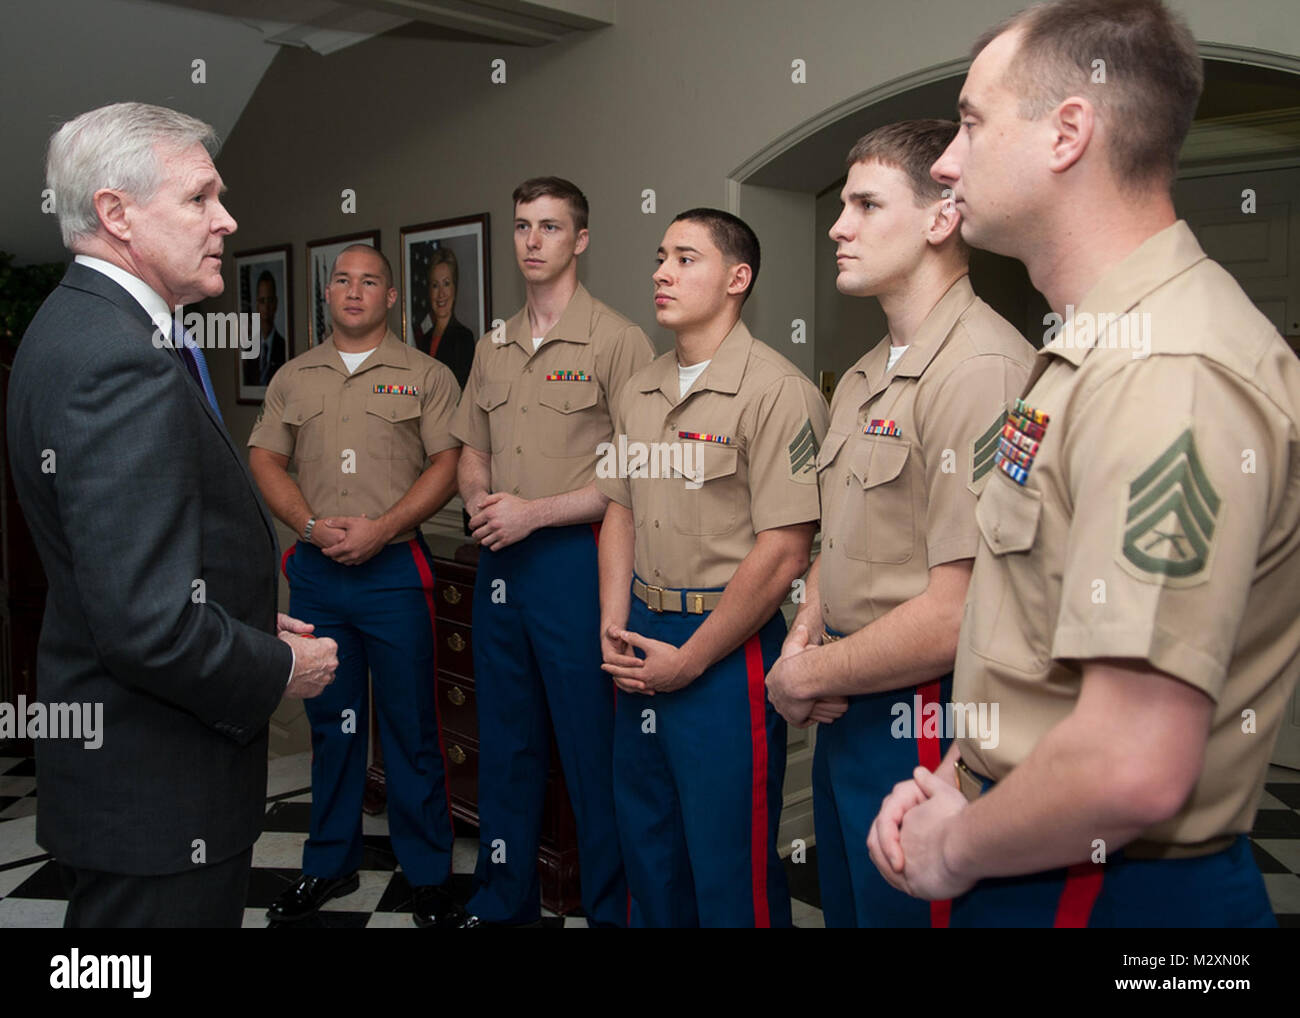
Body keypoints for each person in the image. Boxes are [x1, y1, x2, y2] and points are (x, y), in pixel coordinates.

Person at [869, 0, 1300, 927]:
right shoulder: (1091, 351)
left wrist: (954, 845)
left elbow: (1130, 765)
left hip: (1114, 888)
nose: (946, 162)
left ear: (1070, 132)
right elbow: (1030, 640)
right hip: (1031, 837)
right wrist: (955, 780)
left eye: (973, 124)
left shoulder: (1168, 371)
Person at [7, 102, 337, 928]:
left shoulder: (82, 325)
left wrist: (253, 622)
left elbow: (140, 559)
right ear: (116, 213)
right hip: (156, 788)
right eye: (199, 199)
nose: (226, 219)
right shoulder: (115, 359)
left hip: (135, 776)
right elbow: (147, 625)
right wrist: (274, 671)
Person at [765, 121, 1034, 928]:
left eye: (865, 204)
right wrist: (803, 634)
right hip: (847, 696)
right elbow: (839, 541)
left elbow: (962, 611)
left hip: (924, 715)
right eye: (842, 203)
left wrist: (807, 676)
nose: (838, 225)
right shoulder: (860, 376)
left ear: (940, 218)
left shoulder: (983, 371)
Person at [597, 208, 830, 927]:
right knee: (649, 843)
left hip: (724, 651)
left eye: (686, 259)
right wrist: (612, 621)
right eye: (661, 257)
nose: (663, 273)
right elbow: (620, 510)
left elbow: (786, 549)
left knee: (728, 862)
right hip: (639, 636)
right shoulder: (638, 388)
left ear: (738, 278)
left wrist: (692, 660)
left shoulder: (777, 390)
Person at [450, 176, 653, 927]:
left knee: (592, 753)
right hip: (501, 564)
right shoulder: (495, 343)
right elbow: (471, 449)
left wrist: (535, 512)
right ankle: (504, 902)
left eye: (550, 228)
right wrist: (480, 502)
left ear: (581, 240)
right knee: (506, 749)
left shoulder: (619, 340)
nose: (532, 242)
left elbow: (633, 476)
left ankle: (610, 912)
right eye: (523, 227)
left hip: (580, 563)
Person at [248, 244, 464, 926]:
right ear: (327, 293)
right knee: (331, 726)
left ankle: (426, 870)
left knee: (410, 727)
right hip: (316, 576)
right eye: (341, 279)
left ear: (391, 298)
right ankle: (328, 865)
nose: (353, 290)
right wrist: (309, 526)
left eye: (369, 280)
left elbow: (447, 463)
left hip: (394, 572)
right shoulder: (294, 376)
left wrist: (384, 527)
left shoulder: (426, 375)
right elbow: (265, 456)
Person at [413, 247, 474, 388]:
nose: (441, 294)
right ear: (429, 291)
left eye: (446, 284)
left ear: (455, 288)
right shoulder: (424, 339)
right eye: (435, 285)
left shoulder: (464, 338)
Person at [242, 270, 287, 387]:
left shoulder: (284, 347)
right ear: (257, 305)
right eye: (262, 301)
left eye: (270, 300)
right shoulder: (248, 349)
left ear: (276, 304)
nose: (266, 307)